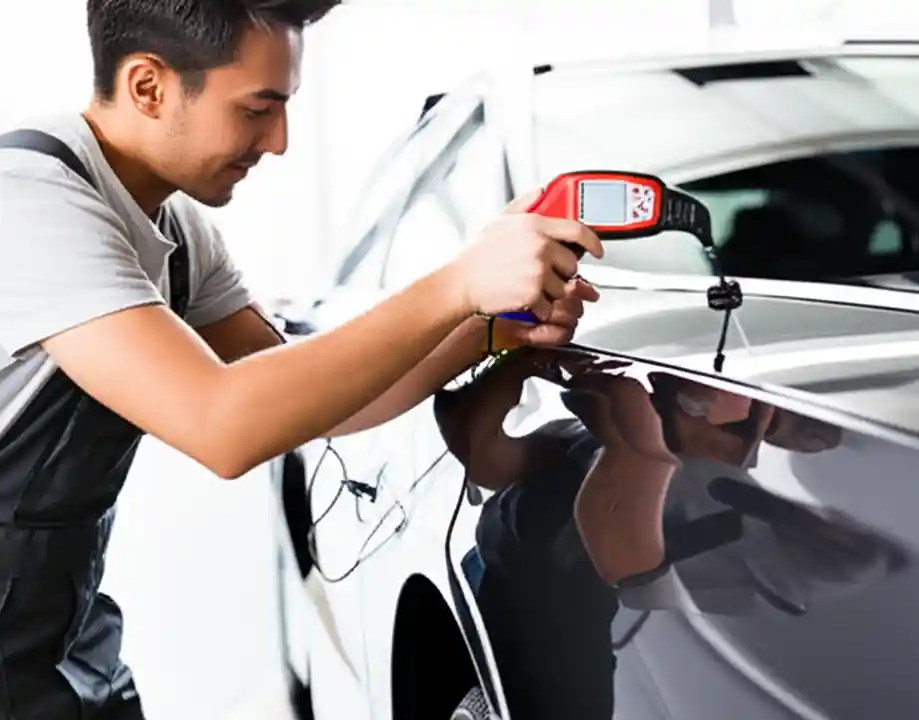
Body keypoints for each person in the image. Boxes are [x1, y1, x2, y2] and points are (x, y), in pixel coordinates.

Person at [0, 1, 603, 718]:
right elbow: (223, 424)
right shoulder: (27, 203)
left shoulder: (176, 229)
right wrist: (458, 283)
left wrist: (488, 328)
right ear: (148, 86)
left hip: (61, 651)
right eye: (258, 109)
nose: (280, 141)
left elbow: (318, 402)